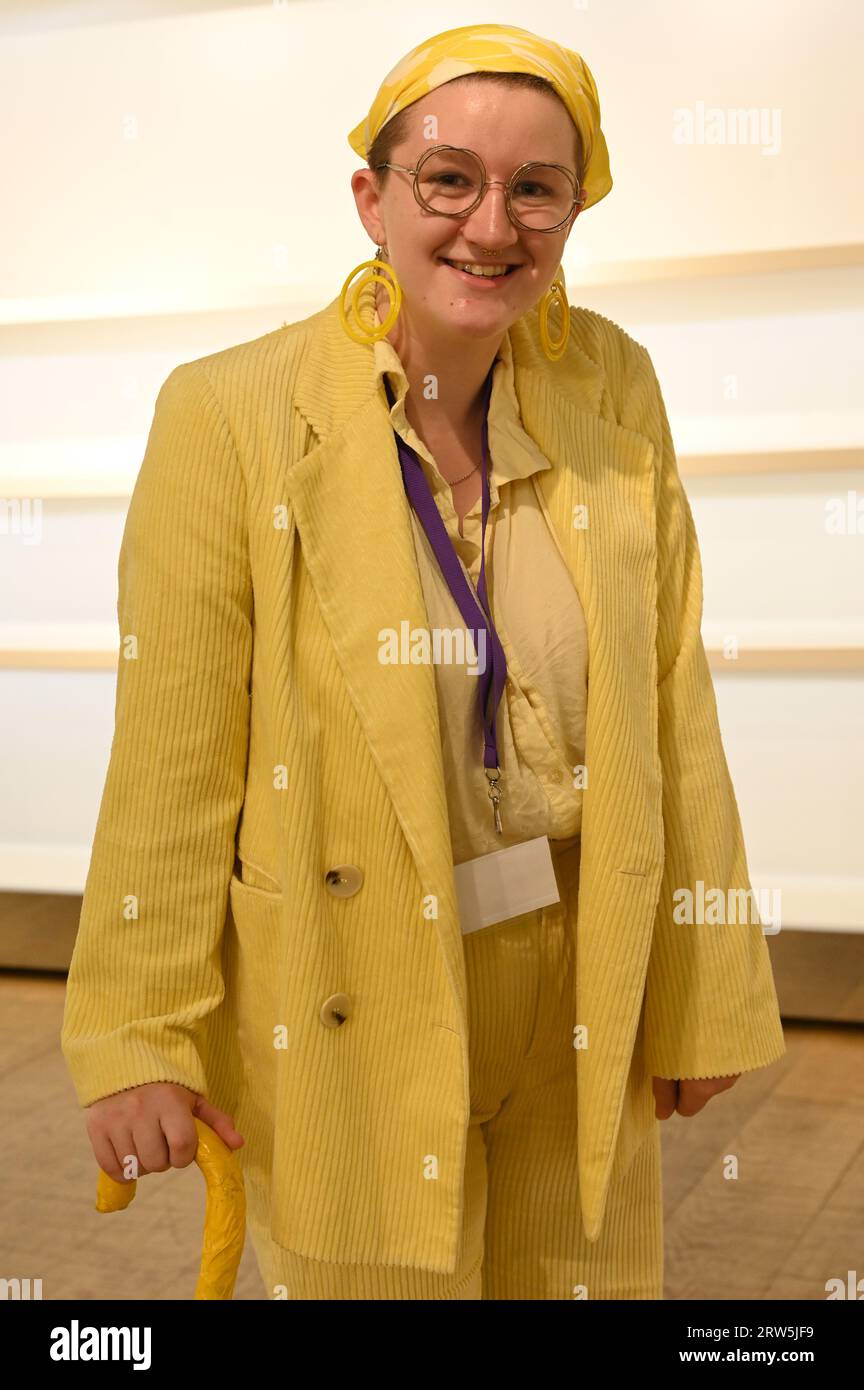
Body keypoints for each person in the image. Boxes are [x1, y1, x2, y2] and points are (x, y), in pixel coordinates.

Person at [61, 23, 786, 1300]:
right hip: (351, 976)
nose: (491, 226)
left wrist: (700, 984)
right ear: (374, 197)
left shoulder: (615, 384)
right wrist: (137, 1029)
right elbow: (170, 757)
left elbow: (675, 700)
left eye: (537, 189)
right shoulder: (228, 412)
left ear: (574, 208)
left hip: (573, 969)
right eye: (448, 179)